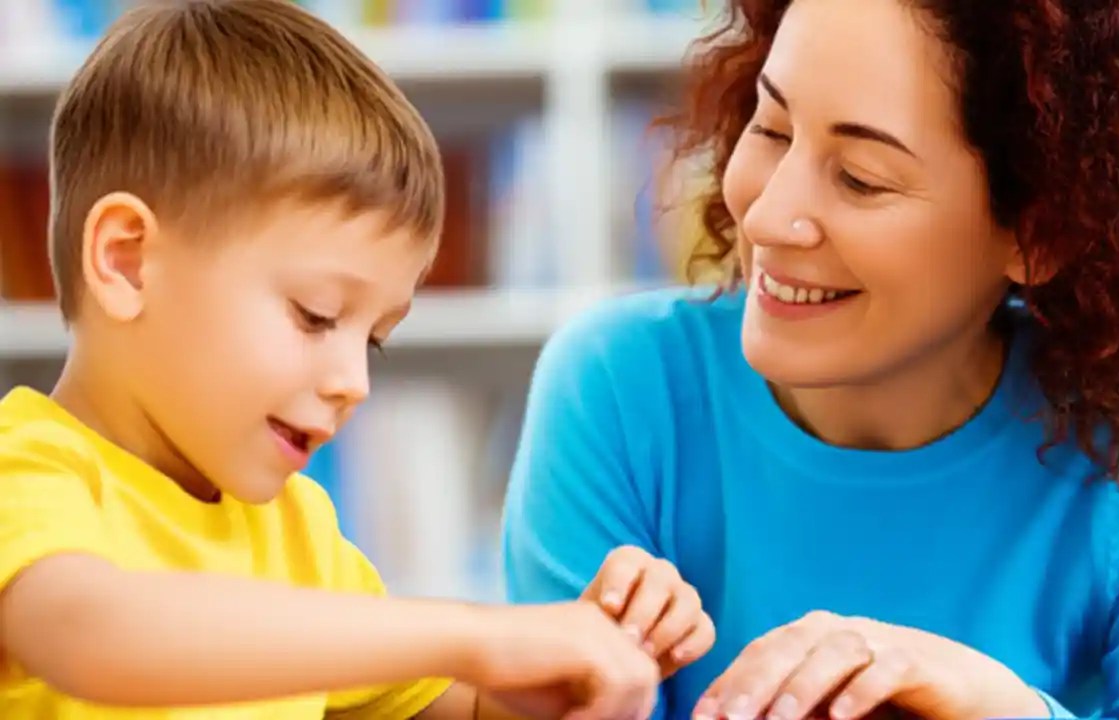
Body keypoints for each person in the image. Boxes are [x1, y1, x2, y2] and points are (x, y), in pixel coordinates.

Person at [501, 0, 1119, 718]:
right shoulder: (621, 391)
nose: (768, 215)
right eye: (771, 129)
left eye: (860, 178)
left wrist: (997, 707)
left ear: (1042, 230)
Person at [0, 1, 714, 718]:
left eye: (372, 340)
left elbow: (464, 710)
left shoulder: (298, 528)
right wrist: (474, 635)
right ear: (128, 263)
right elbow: (94, 632)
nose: (354, 384)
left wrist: (578, 657)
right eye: (315, 315)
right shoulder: (28, 471)